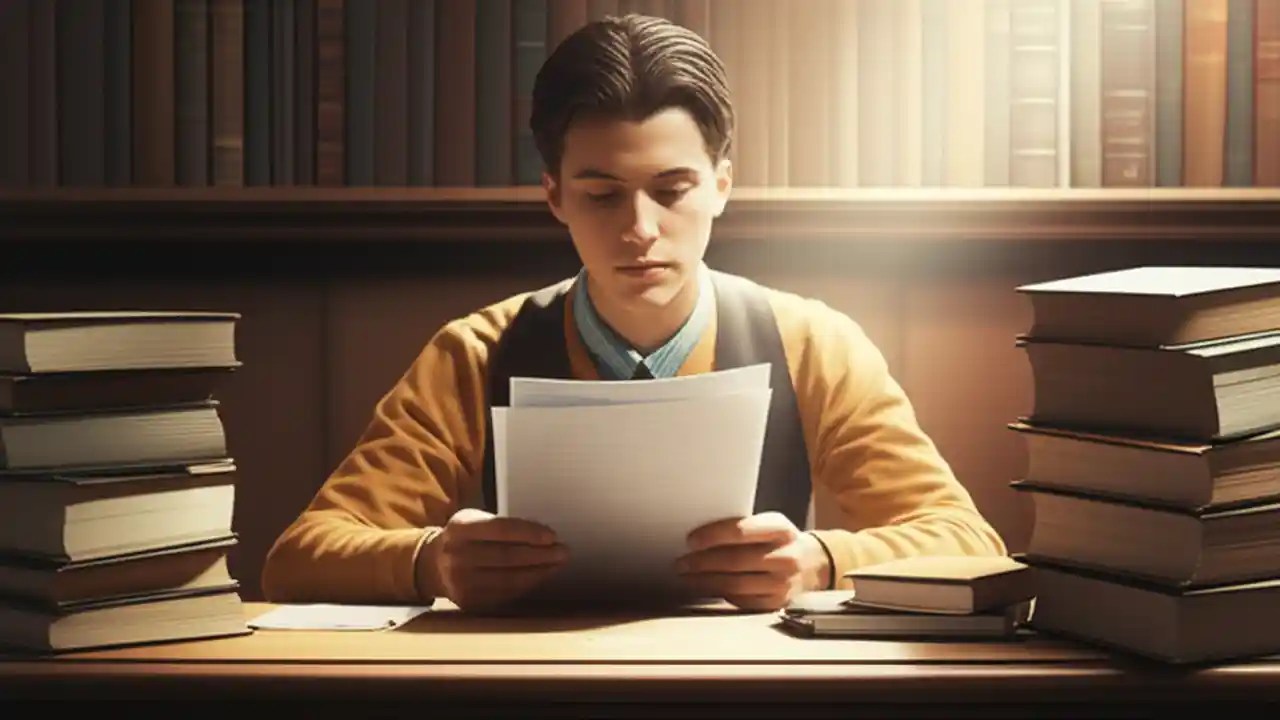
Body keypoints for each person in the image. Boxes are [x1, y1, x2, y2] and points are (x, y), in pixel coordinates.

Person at [261, 13, 1006, 614]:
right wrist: (431, 563)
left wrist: (824, 559)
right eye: (602, 193)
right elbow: (300, 555)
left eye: (672, 189)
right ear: (553, 195)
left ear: (721, 185)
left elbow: (969, 541)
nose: (640, 229)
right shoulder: (477, 350)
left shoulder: (812, 343)